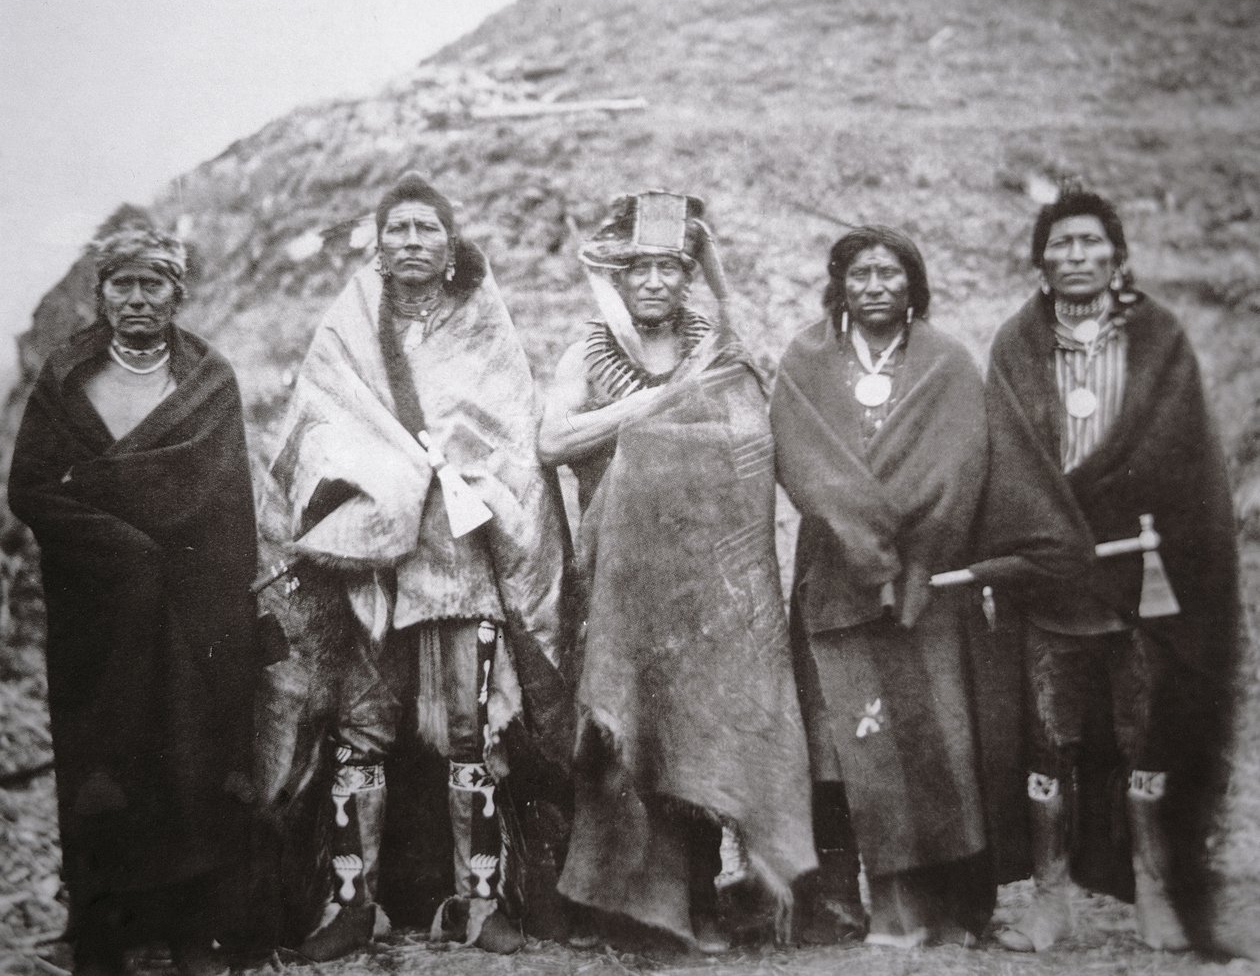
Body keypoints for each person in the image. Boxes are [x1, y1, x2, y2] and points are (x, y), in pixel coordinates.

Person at [260, 172, 571, 958]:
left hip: (460, 562)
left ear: (450, 242)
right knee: (361, 730)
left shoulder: (482, 324)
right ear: (377, 243)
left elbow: (508, 432)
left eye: (426, 229)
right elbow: (316, 423)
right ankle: (348, 904)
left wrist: (453, 471)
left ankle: (481, 902)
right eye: (395, 229)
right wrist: (390, 471)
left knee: (472, 733)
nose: (410, 242)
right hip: (371, 566)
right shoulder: (347, 329)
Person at [538, 193, 816, 954]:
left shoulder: (714, 347)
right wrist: (650, 411)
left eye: (669, 267)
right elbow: (554, 439)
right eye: (640, 269)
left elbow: (756, 423)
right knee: (625, 730)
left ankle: (698, 897)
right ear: (619, 279)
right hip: (621, 582)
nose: (655, 281)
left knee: (699, 727)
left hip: (708, 581)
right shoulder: (588, 352)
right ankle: (629, 910)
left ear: (688, 277)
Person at [984, 186, 1240, 953]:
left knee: (1144, 735)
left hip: (1140, 575)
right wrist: (1036, 542)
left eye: (1091, 242)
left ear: (1118, 256)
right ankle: (1049, 898)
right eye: (1060, 244)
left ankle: (1154, 892)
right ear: (1039, 261)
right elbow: (1004, 459)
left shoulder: (1159, 340)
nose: (1076, 256)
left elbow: (1184, 455)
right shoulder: (1015, 345)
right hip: (1051, 578)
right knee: (1046, 736)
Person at [9, 225, 261, 976]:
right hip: (96, 615)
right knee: (101, 763)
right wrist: (121, 544)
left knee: (189, 763)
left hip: (190, 611)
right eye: (123, 283)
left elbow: (227, 505)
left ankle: (190, 932)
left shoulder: (209, 383)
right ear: (102, 293)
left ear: (178, 294)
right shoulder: (63, 379)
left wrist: (228, 617)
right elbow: (31, 491)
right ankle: (102, 933)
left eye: (154, 283)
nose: (138, 299)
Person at [771, 225, 1004, 948]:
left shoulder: (946, 362)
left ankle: (937, 904)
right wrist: (867, 543)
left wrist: (905, 554)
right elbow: (804, 460)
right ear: (838, 285)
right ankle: (843, 902)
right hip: (836, 571)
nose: (875, 286)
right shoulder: (808, 360)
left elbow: (957, 467)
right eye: (860, 274)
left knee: (931, 732)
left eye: (890, 273)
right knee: (842, 739)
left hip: (922, 579)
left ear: (914, 285)